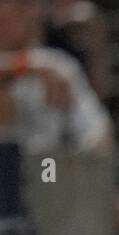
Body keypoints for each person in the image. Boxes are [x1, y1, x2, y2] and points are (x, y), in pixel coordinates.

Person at [0, 0, 111, 154]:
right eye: (20, 5)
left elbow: (98, 130)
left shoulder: (58, 66)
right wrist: (28, 68)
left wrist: (89, 155)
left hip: (45, 169)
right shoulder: (41, 67)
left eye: (29, 5)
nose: (31, 13)